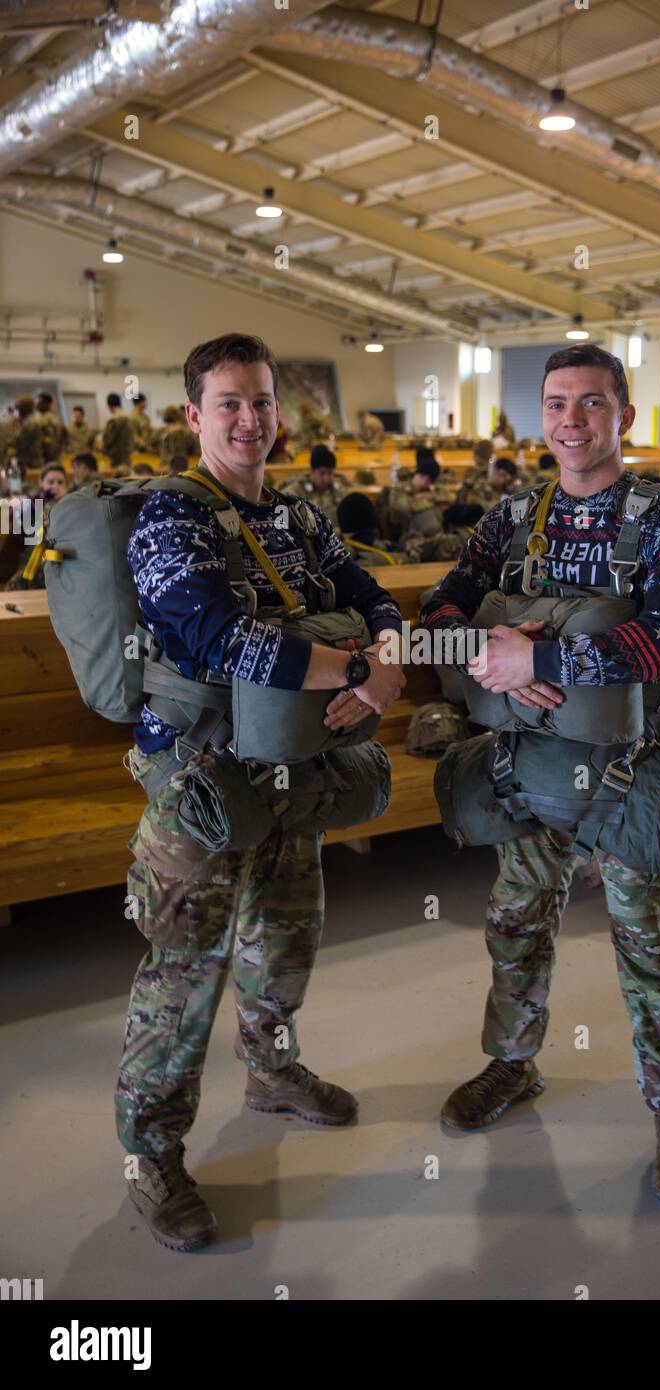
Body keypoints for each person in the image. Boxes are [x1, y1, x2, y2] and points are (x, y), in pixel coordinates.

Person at [119, 333, 405, 1251]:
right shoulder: (172, 519)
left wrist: (390, 657)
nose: (250, 420)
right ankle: (151, 1153)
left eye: (263, 402)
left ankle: (271, 1070)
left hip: (290, 770)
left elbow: (371, 591)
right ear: (195, 415)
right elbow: (213, 638)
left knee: (287, 937)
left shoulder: (300, 517)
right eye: (230, 404)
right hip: (199, 779)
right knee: (182, 976)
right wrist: (356, 664)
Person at [420, 344, 660, 1203]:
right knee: (515, 925)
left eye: (591, 404)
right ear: (538, 417)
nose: (572, 422)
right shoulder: (512, 518)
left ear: (624, 414)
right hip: (529, 770)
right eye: (556, 405)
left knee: (652, 952)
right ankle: (512, 1066)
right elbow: (441, 607)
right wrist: (485, 651)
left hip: (631, 775)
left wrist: (545, 654)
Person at [283, 441, 343, 526]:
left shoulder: (337, 491)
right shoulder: (295, 492)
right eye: (322, 473)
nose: (326, 478)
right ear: (312, 471)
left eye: (330, 473)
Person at [4, 395, 44, 476]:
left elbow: (17, 443)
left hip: (29, 464)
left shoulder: (30, 424)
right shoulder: (28, 422)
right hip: (30, 463)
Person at [101, 393, 134, 472]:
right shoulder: (128, 418)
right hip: (127, 457)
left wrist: (103, 449)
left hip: (116, 459)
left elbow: (108, 440)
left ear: (109, 405)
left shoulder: (114, 420)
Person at [35, 392, 66, 462]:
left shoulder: (53, 420)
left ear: (46, 404)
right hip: (37, 458)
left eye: (39, 402)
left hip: (48, 458)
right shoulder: (37, 417)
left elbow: (56, 442)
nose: (36, 404)